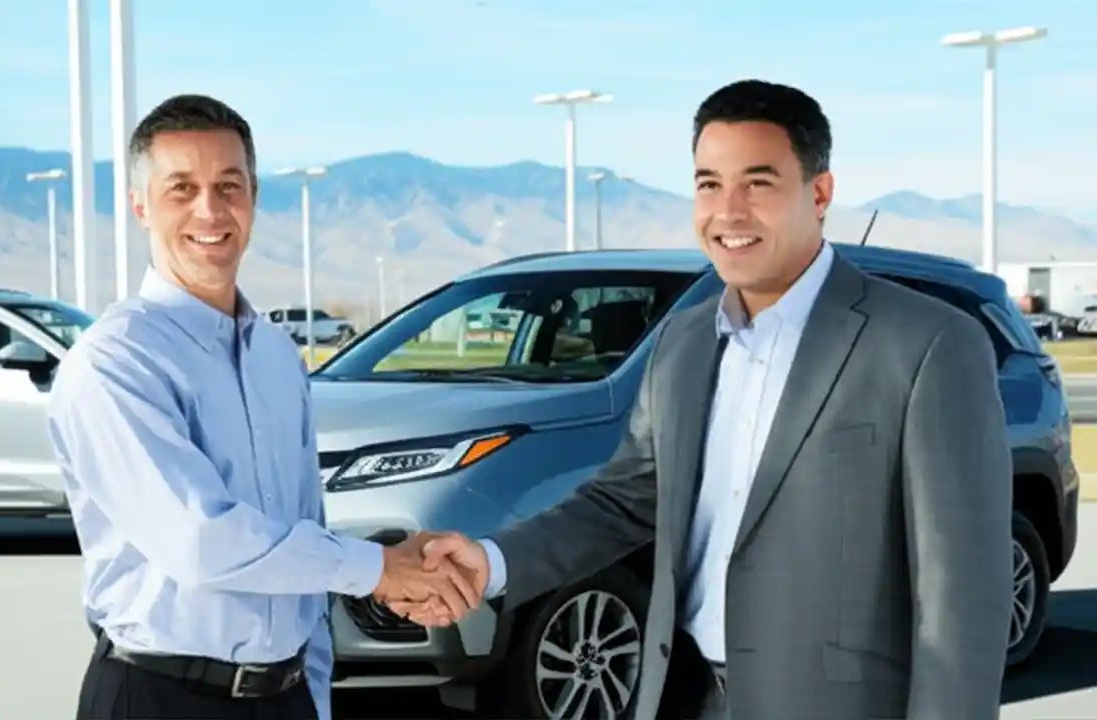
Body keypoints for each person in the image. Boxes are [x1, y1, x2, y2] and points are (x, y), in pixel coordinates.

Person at [390, 79, 1014, 719]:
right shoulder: (683, 343)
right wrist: (490, 562)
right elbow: (623, 502)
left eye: (758, 184)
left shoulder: (928, 344)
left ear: (819, 193)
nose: (728, 212)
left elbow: (961, 596)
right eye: (709, 183)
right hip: (683, 699)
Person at [46, 93, 478, 720]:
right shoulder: (117, 361)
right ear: (139, 205)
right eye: (181, 189)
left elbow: (307, 530)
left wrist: (317, 697)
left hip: (287, 696)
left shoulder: (278, 356)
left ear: (252, 196)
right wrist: (382, 569)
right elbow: (201, 541)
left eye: (229, 185)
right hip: (161, 697)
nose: (210, 210)